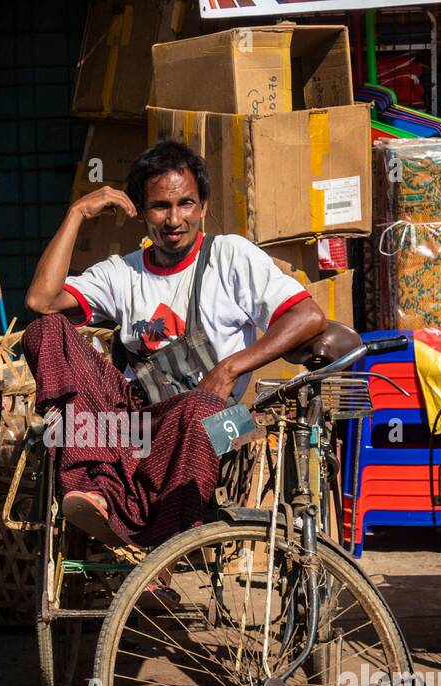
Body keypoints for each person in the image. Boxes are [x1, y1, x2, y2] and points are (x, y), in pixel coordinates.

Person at [22, 139, 339, 553]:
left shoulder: (231, 255)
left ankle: (164, 558)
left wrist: (229, 369)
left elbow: (308, 316)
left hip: (228, 424)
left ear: (204, 206)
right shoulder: (123, 271)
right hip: (134, 425)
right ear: (140, 211)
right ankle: (94, 492)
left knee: (201, 407)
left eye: (186, 204)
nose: (174, 219)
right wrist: (77, 213)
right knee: (45, 331)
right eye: (160, 206)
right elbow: (40, 302)